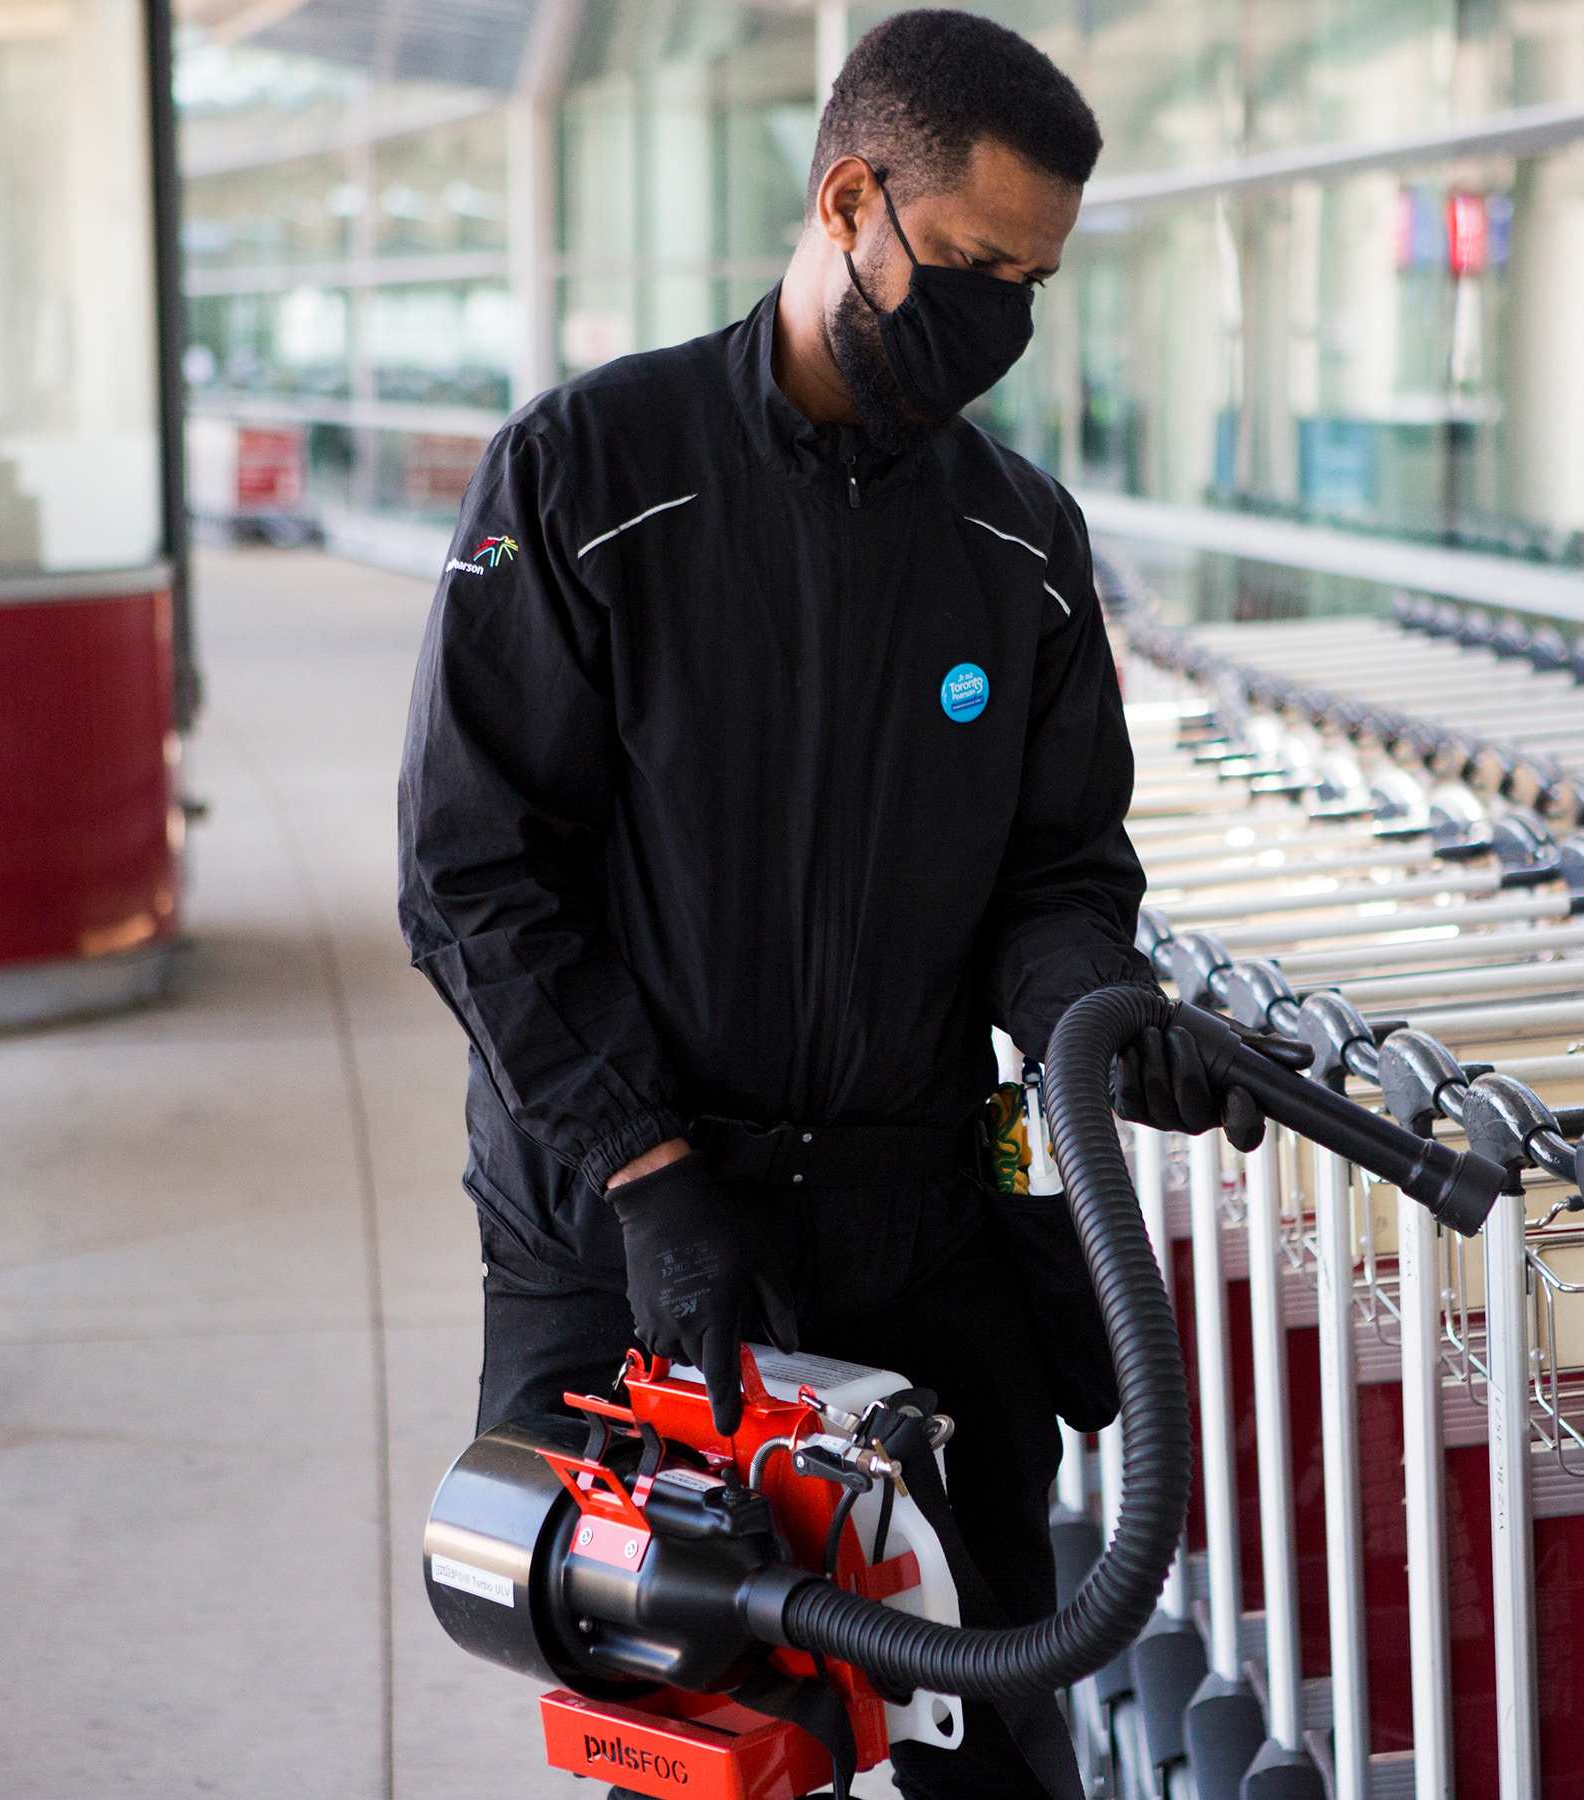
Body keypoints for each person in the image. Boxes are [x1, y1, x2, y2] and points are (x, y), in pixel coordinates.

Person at [396, 11, 1254, 1797]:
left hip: (911, 1231)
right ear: (849, 198)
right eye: (970, 264)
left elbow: (1055, 873)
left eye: (1033, 280)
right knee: (702, 1743)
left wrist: (1104, 1013)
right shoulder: (585, 478)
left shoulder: (1020, 539)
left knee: (988, 1724)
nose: (1002, 320)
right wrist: (645, 1172)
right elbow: (474, 876)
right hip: (632, 1242)